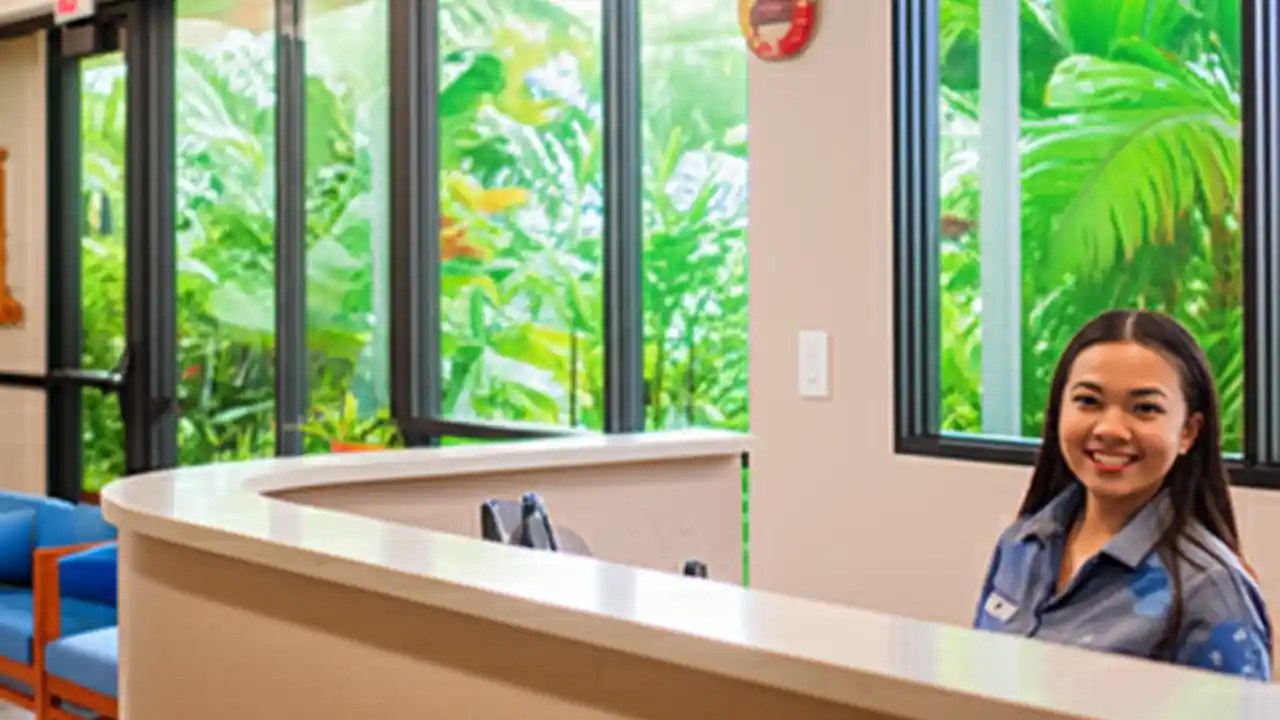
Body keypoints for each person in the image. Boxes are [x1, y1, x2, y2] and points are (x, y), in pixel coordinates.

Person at [973, 309, 1272, 680]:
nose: (1111, 429)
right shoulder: (1021, 544)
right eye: (1088, 401)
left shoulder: (1209, 588)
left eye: (1145, 408)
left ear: (1188, 432)